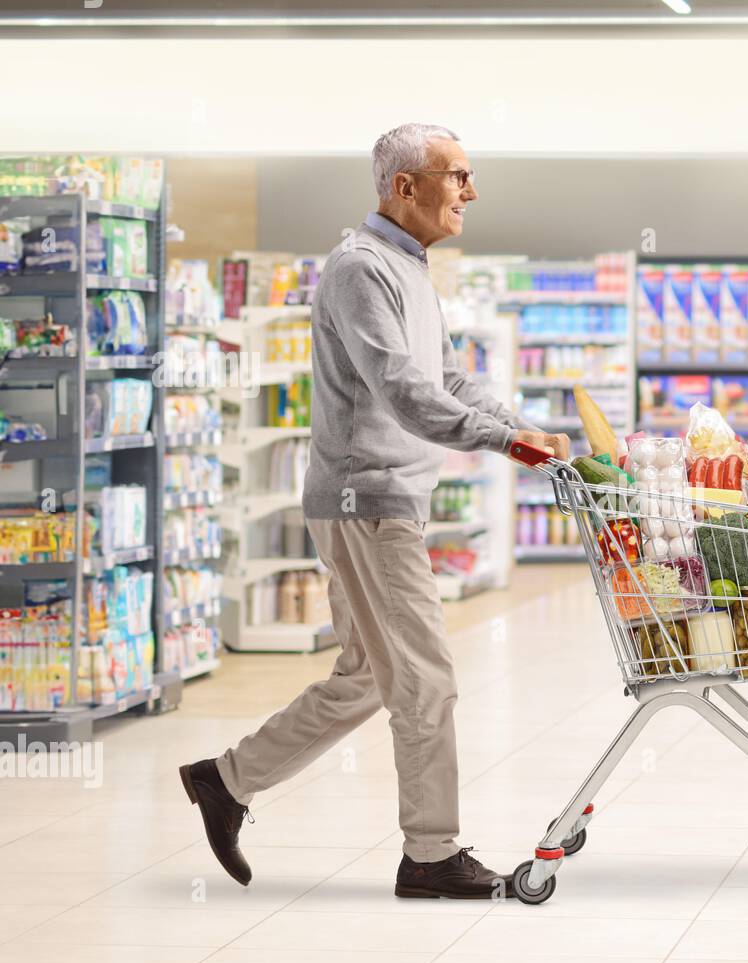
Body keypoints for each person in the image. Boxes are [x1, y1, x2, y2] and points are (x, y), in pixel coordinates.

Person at [179, 123, 570, 900]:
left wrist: (520, 427)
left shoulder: (410, 269)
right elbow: (401, 390)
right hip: (370, 500)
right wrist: (506, 444)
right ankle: (429, 852)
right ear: (405, 186)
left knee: (365, 676)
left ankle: (226, 780)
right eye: (458, 175)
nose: (471, 191)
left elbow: (448, 380)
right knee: (425, 678)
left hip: (385, 497)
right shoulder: (359, 270)